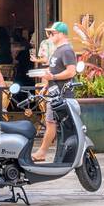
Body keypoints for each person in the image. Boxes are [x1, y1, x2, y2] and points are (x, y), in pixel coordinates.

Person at [32, 21, 77, 163]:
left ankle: (42, 152)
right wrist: (47, 84)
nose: (50, 35)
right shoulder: (58, 50)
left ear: (62, 34)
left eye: (53, 33)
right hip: (55, 93)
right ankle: (57, 153)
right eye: (50, 33)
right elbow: (54, 70)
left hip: (62, 95)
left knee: (52, 123)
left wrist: (53, 77)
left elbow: (71, 71)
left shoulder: (66, 50)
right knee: (54, 123)